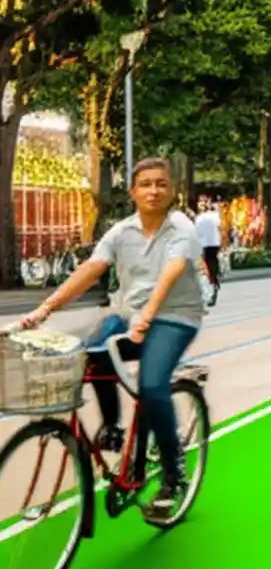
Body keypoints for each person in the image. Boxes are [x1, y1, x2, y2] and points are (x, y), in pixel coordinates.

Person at [20, 157, 206, 521]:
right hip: (128, 314)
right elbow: (91, 269)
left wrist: (148, 317)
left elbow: (171, 273)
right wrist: (45, 308)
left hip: (174, 318)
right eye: (146, 184)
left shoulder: (181, 227)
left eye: (161, 184)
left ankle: (173, 474)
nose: (154, 190)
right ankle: (114, 428)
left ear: (172, 191)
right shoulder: (121, 232)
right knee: (92, 354)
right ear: (133, 192)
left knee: (152, 387)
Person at [194, 201, 222, 306]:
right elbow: (220, 228)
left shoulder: (199, 218)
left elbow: (195, 233)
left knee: (205, 265)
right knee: (213, 261)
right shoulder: (215, 216)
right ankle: (215, 279)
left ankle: (210, 282)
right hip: (215, 243)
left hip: (203, 245)